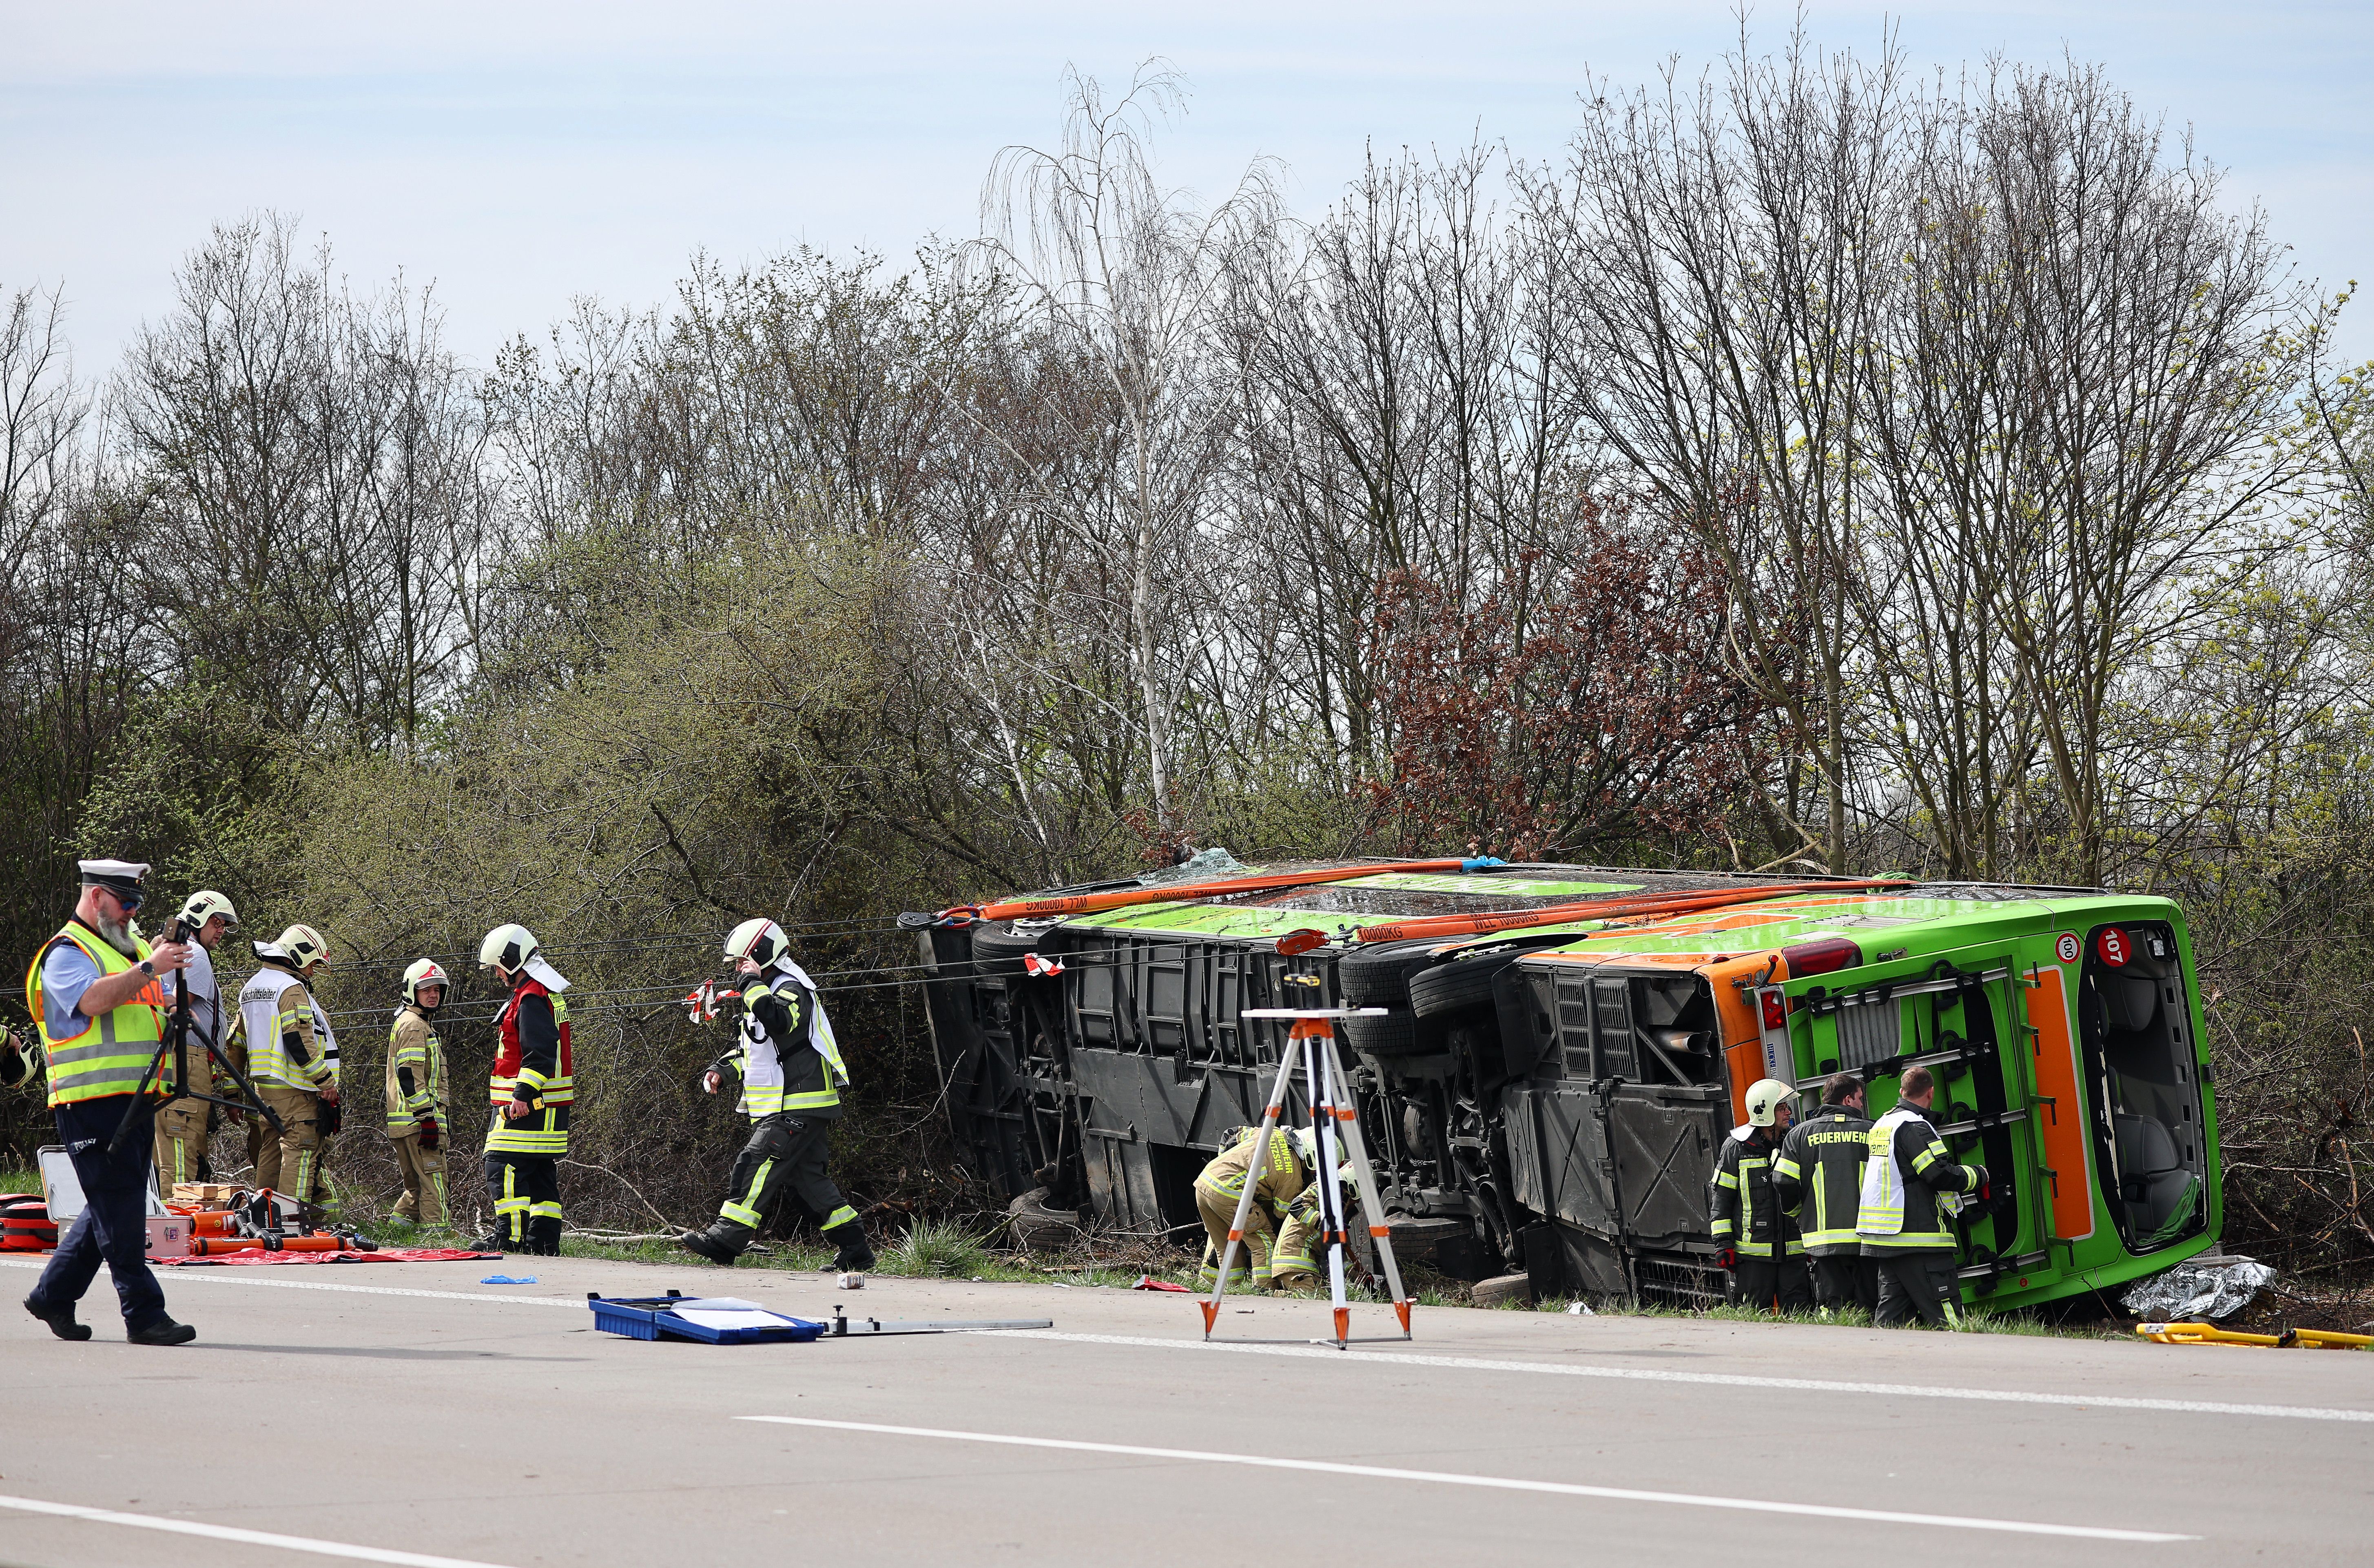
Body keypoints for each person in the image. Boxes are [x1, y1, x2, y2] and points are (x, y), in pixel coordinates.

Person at [20, 859, 198, 1344]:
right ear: (96, 896)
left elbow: (147, 999)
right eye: (126, 902)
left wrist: (171, 1002)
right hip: (89, 1102)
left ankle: (53, 1295)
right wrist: (150, 966)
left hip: (136, 1099)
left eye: (137, 902)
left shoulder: (129, 945)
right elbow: (92, 1001)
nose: (132, 911)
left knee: (114, 1204)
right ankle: (144, 1315)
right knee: (119, 1208)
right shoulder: (67, 951)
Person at [680, 919, 873, 1276]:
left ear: (761, 954)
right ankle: (856, 1250)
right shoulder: (763, 992)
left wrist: (751, 984)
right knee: (808, 1183)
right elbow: (754, 1050)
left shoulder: (791, 987)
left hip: (798, 1103)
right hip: (786, 1105)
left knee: (755, 1164)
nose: (738, 970)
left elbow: (780, 1022)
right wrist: (722, 1071)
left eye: (742, 961)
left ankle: (725, 1239)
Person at [1858, 1064, 1986, 1328]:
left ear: (1902, 1092)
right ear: (1931, 1093)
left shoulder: (1882, 1124)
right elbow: (1937, 1174)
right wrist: (1979, 1175)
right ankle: (1963, 1354)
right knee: (1948, 1317)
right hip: (1919, 1238)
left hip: (1886, 1238)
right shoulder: (1915, 1126)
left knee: (1891, 1322)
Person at [472, 924, 572, 1256]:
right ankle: (543, 1242)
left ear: (511, 960)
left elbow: (539, 1052)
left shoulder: (531, 997)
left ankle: (510, 1237)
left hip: (531, 1103)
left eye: (497, 967)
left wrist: (522, 1095)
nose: (497, 974)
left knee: (501, 1163)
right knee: (540, 1170)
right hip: (550, 1105)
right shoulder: (544, 991)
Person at [235, 924, 339, 1206]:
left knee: (270, 1153)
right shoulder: (290, 989)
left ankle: (263, 1218)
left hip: (265, 1091)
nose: (312, 973)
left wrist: (232, 1092)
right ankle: (292, 1223)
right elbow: (299, 1041)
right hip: (295, 1091)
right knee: (300, 1155)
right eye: (312, 965)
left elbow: (236, 1043)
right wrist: (326, 1082)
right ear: (299, 955)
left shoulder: (252, 987)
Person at [152, 890, 239, 1197]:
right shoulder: (196, 954)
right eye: (217, 923)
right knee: (182, 1150)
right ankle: (175, 1218)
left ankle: (165, 1215)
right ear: (199, 919)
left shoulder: (170, 950)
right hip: (187, 1060)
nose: (221, 931)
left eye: (224, 925)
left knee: (174, 1150)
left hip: (176, 1060)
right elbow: (177, 1008)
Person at [1773, 1072, 1878, 1317]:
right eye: (1860, 1099)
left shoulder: (1799, 1135)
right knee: (1871, 1305)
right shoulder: (1874, 1131)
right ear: (1848, 1100)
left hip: (1824, 1241)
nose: (1862, 1105)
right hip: (1867, 1238)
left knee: (1835, 1308)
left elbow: (1783, 1180)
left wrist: (1798, 1212)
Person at [1710, 1077, 1812, 1313]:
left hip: (1793, 1254)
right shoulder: (1736, 1148)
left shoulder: (1794, 1144)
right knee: (1755, 1319)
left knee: (1801, 1319)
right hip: (1753, 1259)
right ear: (1764, 1111)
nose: (1788, 1112)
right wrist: (1723, 1244)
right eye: (1782, 1108)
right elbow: (1722, 1200)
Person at [1192, 1122, 1315, 1293]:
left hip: (1204, 1183)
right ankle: (1264, 1291)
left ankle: (1221, 1289)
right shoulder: (1292, 1176)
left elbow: (1230, 1134)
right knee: (1265, 1243)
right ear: (1310, 1158)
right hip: (1230, 1193)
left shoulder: (1273, 1133)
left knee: (1226, 1245)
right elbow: (1283, 1214)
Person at [383, 959, 450, 1230]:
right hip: (420, 1122)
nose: (433, 995)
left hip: (407, 1123)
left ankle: (394, 1233)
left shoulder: (413, 1022)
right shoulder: (414, 1026)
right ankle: (438, 1238)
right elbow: (410, 1075)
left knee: (416, 1188)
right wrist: (427, 1119)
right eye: (426, 990)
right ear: (412, 991)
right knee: (434, 1183)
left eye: (437, 989)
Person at [1269, 1154, 1356, 1293]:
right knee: (1316, 1301)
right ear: (1352, 1188)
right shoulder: (1325, 1188)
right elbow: (1297, 1206)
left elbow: (1340, 1257)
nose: (1357, 1203)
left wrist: (1358, 1276)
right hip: (1295, 1262)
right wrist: (1326, 1224)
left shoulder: (1338, 1213)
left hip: (1305, 1267)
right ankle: (1275, 1297)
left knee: (1324, 1299)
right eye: (1356, 1199)